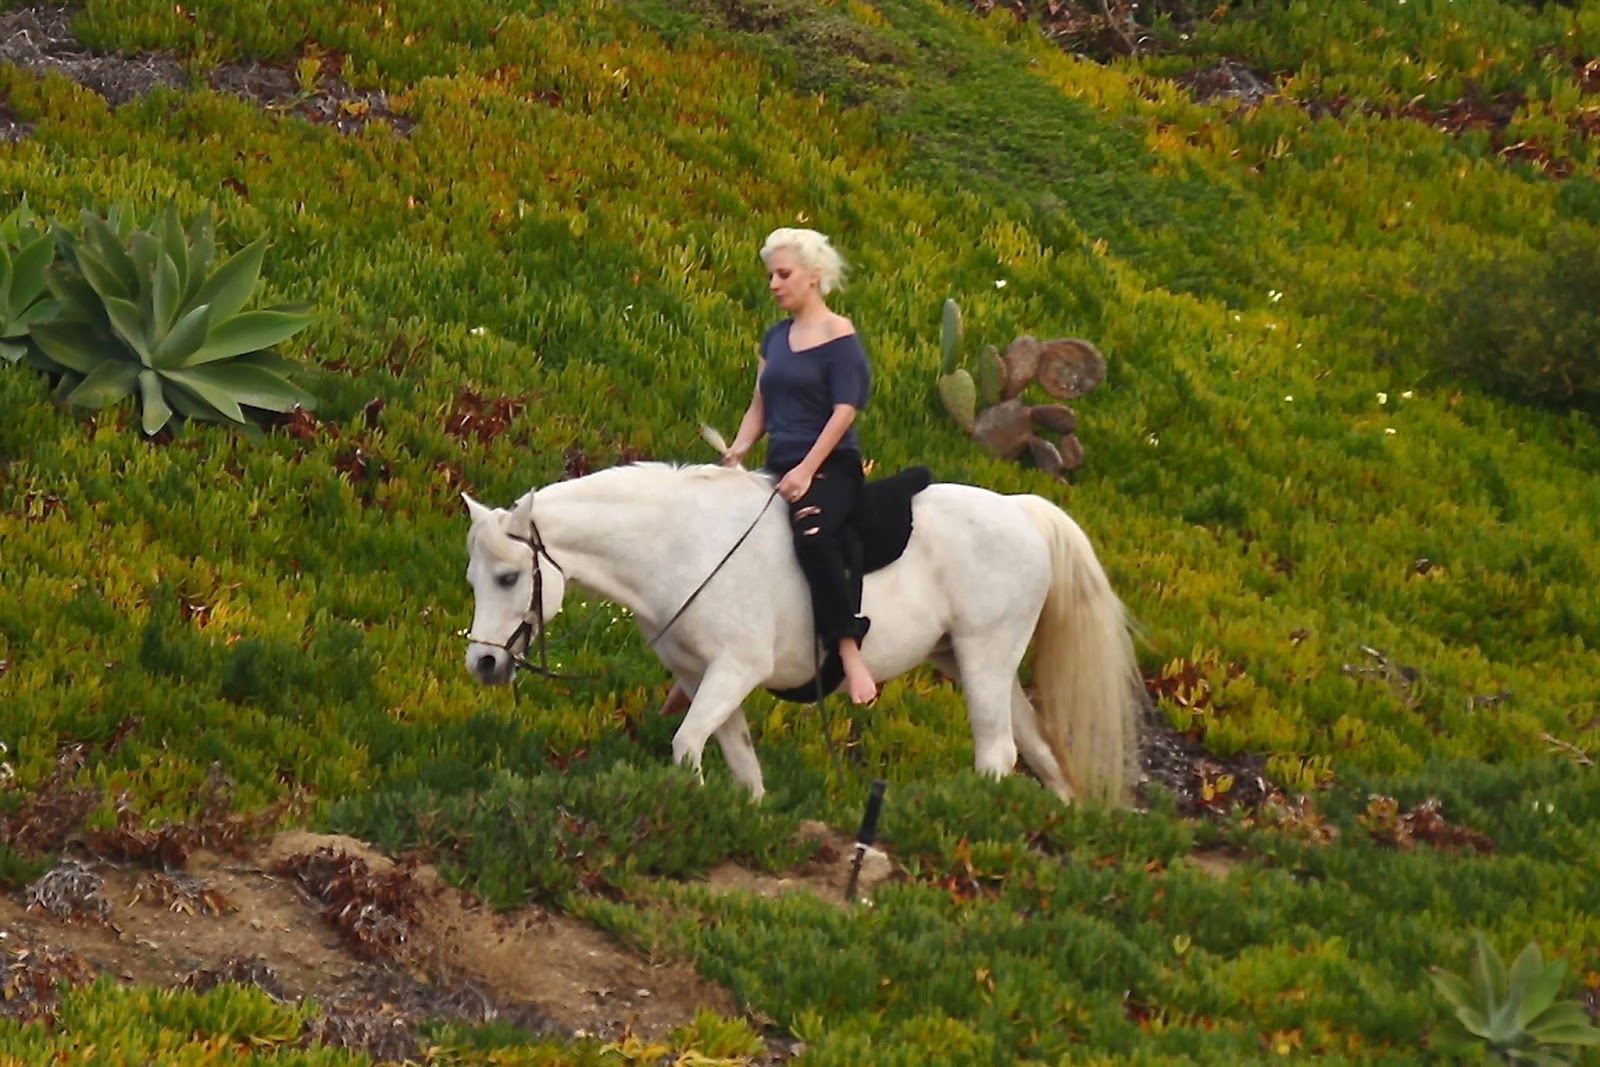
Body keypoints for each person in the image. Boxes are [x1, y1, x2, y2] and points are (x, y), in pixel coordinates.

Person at [717, 226, 878, 706]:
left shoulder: (839, 335)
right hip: (778, 463)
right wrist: (738, 449)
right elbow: (759, 405)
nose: (773, 284)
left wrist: (807, 470)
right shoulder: (776, 337)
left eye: (783, 274)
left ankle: (848, 651)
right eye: (770, 275)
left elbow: (844, 411)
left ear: (814, 276)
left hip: (831, 464)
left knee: (813, 533)